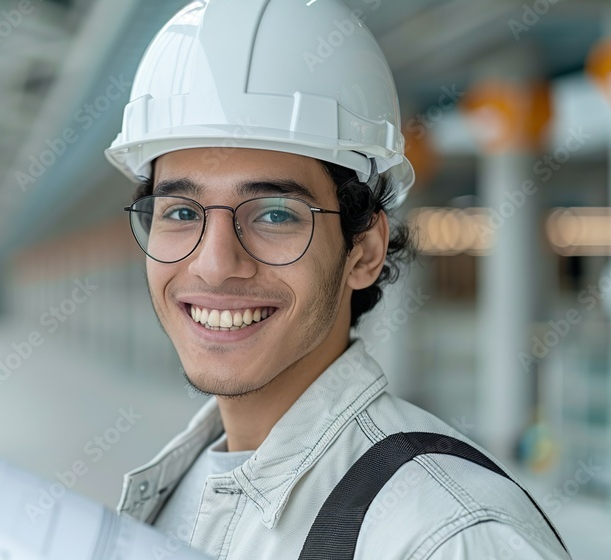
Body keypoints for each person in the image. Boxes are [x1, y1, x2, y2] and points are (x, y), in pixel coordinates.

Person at [102, 0, 570, 558]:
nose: (215, 263)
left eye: (275, 214)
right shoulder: (181, 490)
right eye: (181, 212)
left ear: (364, 251)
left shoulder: (445, 536)